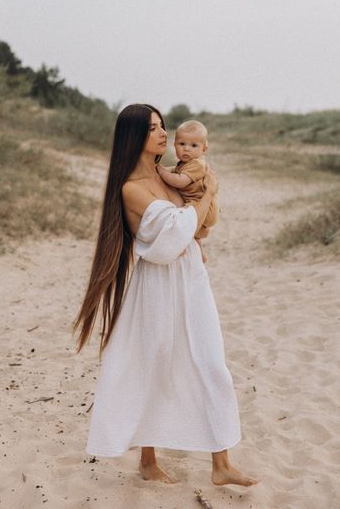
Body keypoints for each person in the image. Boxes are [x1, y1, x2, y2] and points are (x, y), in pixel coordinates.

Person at [73, 103, 258, 487]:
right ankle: (147, 459)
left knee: (210, 364)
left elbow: (193, 232)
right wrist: (206, 196)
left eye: (163, 127)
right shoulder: (131, 188)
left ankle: (221, 464)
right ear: (135, 137)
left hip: (191, 280)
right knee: (156, 365)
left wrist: (197, 216)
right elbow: (173, 235)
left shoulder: (171, 177)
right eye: (154, 128)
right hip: (157, 286)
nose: (163, 134)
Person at [156, 119, 218, 262]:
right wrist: (167, 170)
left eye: (193, 145)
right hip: (199, 205)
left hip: (202, 206)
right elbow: (175, 171)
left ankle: (181, 245)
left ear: (204, 149)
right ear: (174, 145)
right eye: (182, 144)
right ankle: (200, 250)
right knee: (192, 228)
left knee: (183, 221)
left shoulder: (197, 164)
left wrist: (161, 172)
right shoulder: (185, 164)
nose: (186, 148)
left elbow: (180, 180)